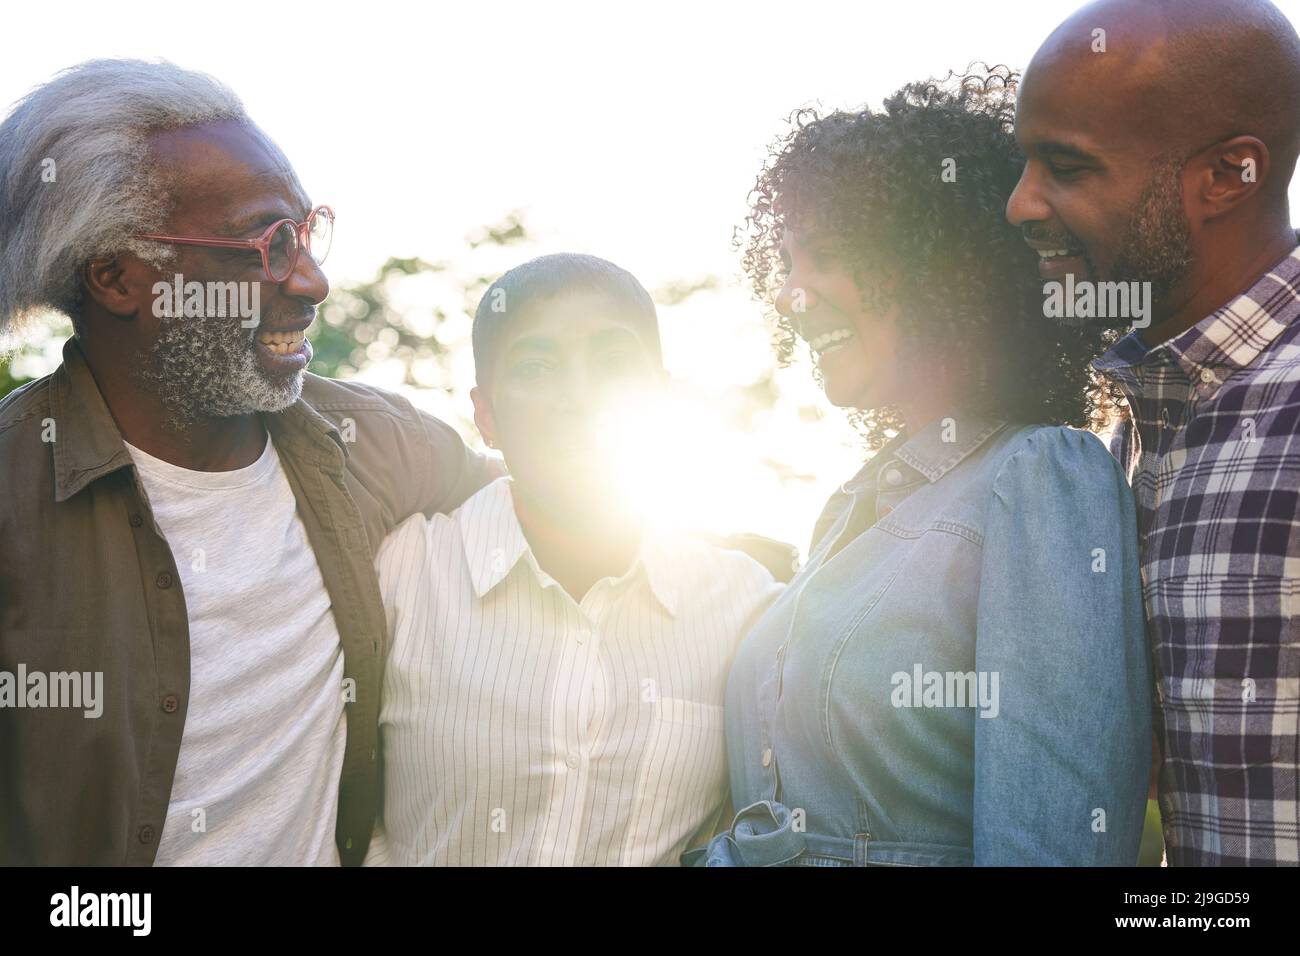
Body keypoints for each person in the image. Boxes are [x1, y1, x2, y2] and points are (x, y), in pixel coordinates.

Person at [0, 59, 497, 865]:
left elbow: (565, 528)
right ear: (120, 276)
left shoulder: (382, 444)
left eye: (305, 233)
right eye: (268, 242)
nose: (312, 280)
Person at [700, 68, 1151, 867]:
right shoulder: (850, 512)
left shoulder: (1041, 478)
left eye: (827, 257)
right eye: (788, 263)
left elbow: (1051, 849)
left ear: (947, 269)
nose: (791, 296)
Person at [364, 253, 784, 866]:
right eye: (536, 366)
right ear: (486, 416)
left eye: (614, 363)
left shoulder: (745, 605)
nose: (580, 398)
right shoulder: (402, 574)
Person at [1009, 0, 1300, 867]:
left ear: (1228, 176)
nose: (1020, 205)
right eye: (1024, 162)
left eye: (1065, 166)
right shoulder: (1127, 425)